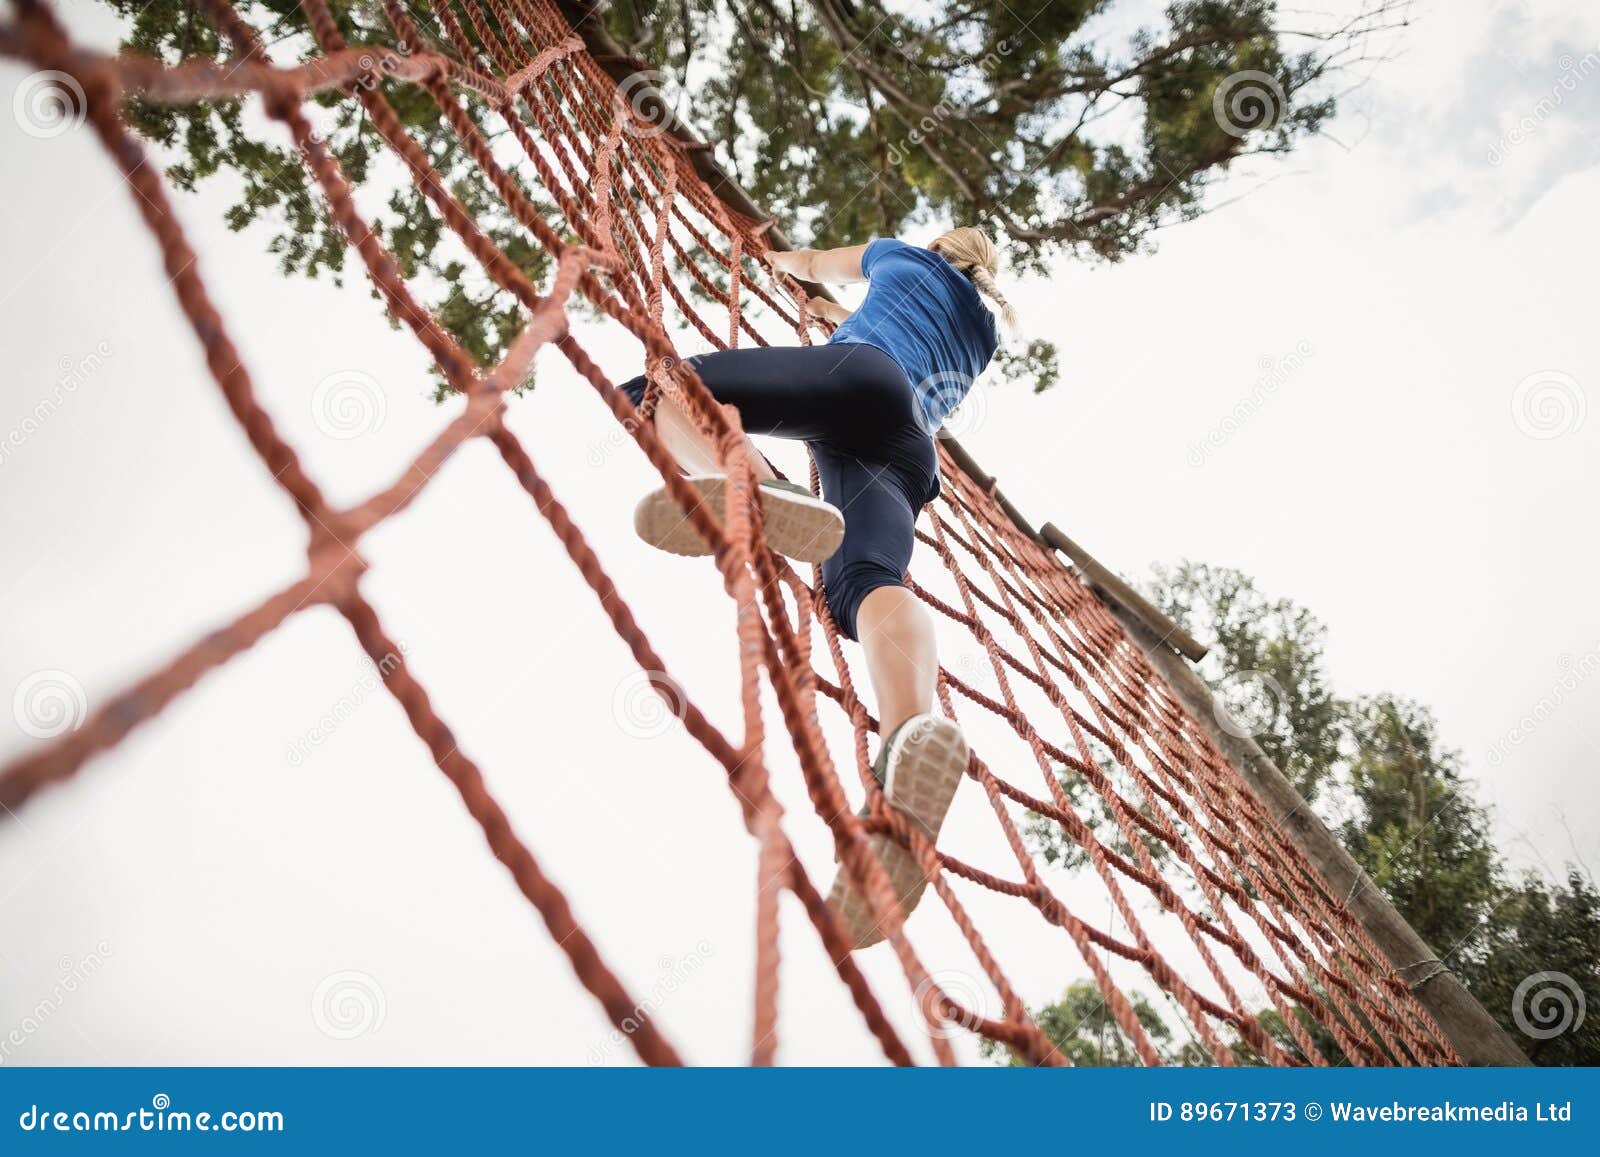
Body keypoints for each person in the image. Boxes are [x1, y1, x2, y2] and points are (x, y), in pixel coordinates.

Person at [619, 227, 1016, 949]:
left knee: (654, 388)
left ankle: (753, 486)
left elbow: (808, 267)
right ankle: (907, 737)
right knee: (862, 585)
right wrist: (837, 319)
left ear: (937, 243)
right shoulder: (981, 334)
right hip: (906, 448)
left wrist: (766, 258)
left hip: (860, 379)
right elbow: (883, 325)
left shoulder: (898, 253)